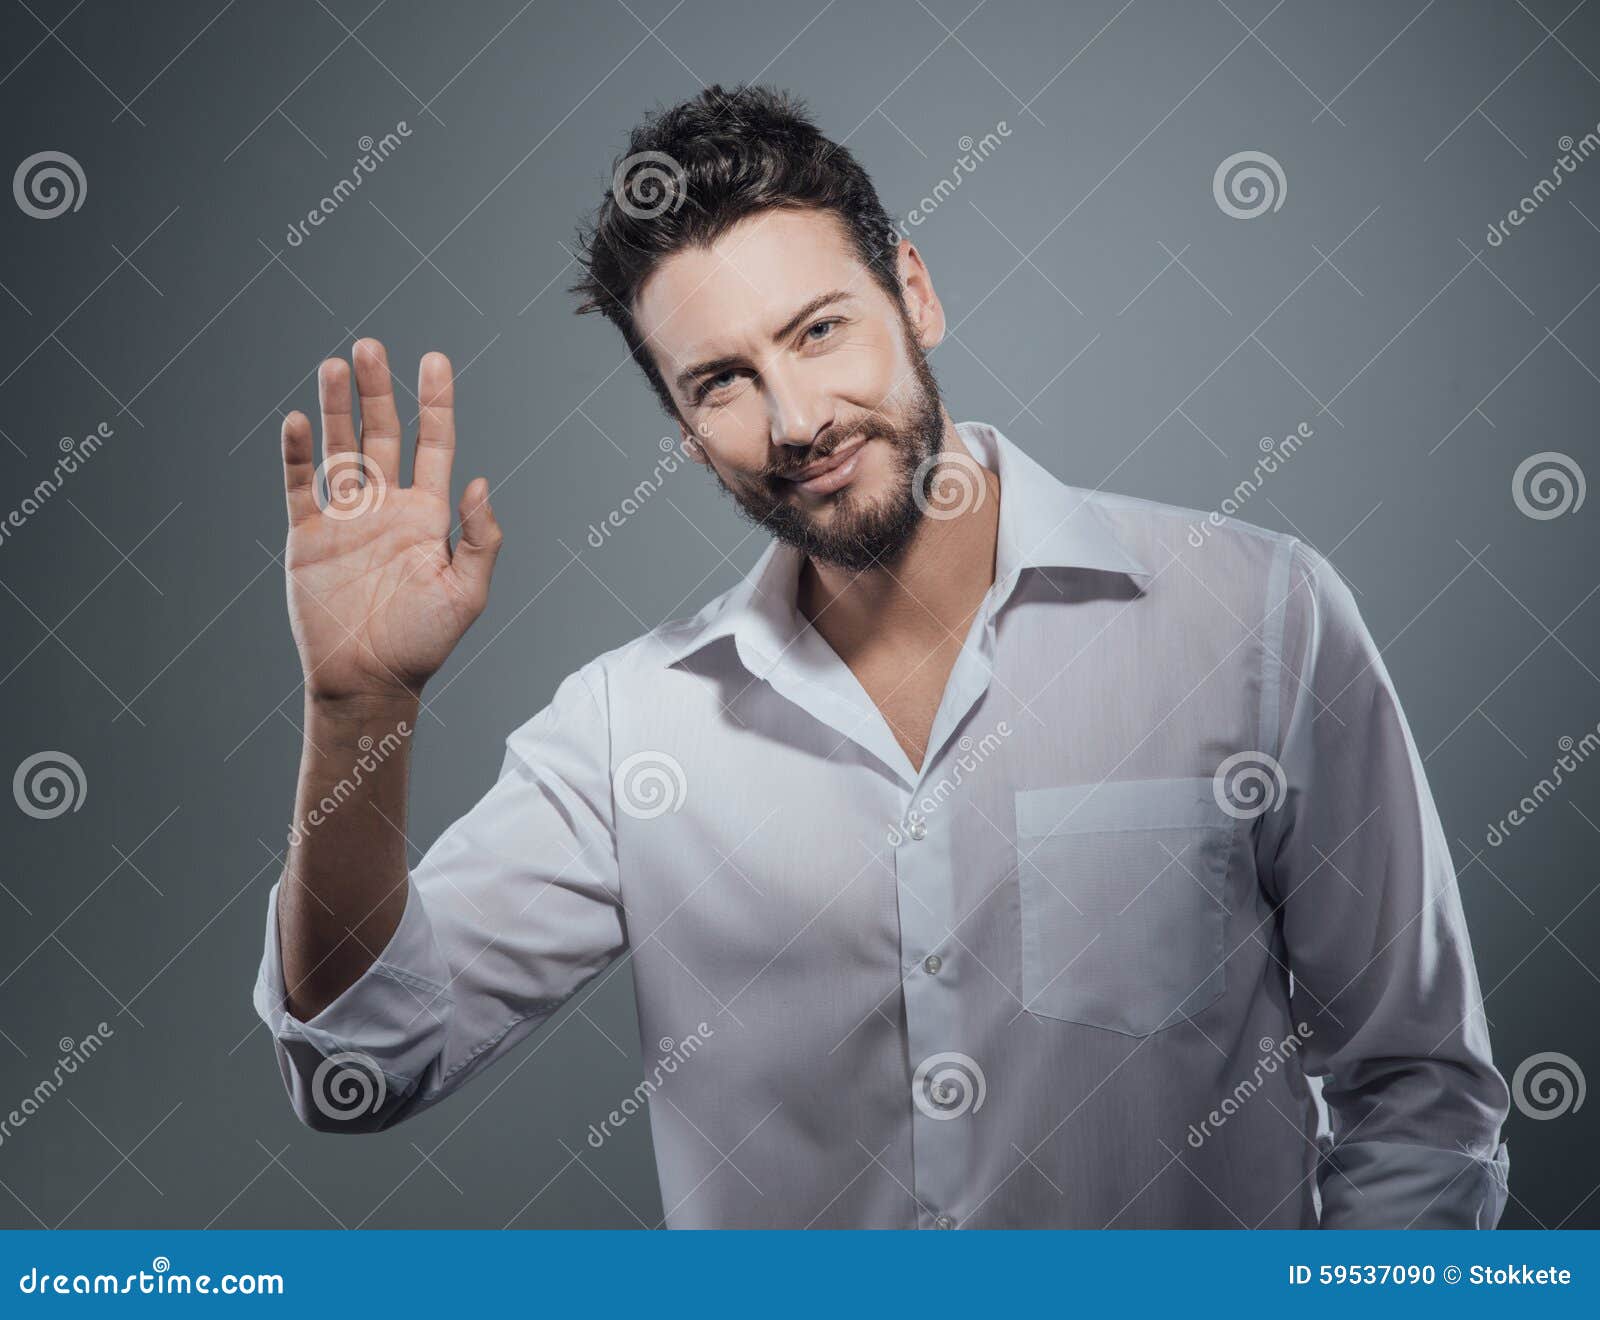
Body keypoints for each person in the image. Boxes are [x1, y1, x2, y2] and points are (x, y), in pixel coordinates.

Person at [254, 84, 1510, 1229]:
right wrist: (358, 709)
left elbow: (1416, 1089)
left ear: (912, 291)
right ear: (686, 432)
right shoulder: (629, 731)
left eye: (816, 331)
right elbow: (363, 1065)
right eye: (722, 382)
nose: (797, 421)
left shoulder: (1256, 618)